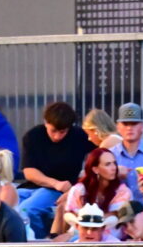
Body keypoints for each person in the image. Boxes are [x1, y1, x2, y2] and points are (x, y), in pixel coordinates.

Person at [18, 101, 90, 236]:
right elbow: (29, 172)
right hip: (32, 187)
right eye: (53, 131)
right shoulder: (32, 136)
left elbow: (102, 150)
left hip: (54, 192)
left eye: (62, 132)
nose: (57, 136)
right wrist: (56, 184)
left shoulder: (79, 136)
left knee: (27, 209)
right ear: (46, 122)